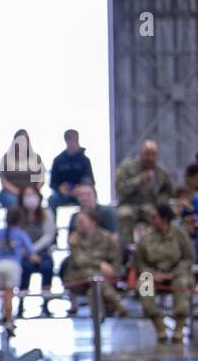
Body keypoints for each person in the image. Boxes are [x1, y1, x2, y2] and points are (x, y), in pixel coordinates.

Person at [134, 203, 193, 344]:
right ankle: (159, 327)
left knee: (182, 283)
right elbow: (139, 262)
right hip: (153, 273)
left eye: (155, 217)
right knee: (144, 284)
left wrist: (173, 273)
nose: (152, 220)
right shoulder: (146, 237)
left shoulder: (179, 234)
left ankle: (178, 328)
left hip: (176, 273)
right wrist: (153, 273)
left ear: (165, 219)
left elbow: (189, 258)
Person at [65, 212, 125, 319]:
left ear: (92, 222)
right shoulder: (74, 238)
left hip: (105, 279)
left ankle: (99, 321)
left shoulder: (107, 237)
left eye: (81, 222)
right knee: (92, 274)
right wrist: (100, 264)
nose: (77, 224)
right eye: (77, 222)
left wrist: (113, 270)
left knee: (93, 291)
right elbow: (80, 261)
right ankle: (115, 300)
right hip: (78, 277)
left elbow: (116, 260)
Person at [115, 140, 172, 245]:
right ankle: (128, 248)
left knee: (159, 217)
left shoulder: (161, 172)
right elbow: (120, 189)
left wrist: (160, 201)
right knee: (124, 215)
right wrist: (139, 179)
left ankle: (155, 247)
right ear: (141, 153)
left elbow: (168, 192)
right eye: (147, 154)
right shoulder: (127, 167)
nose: (150, 158)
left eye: (153, 155)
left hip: (150, 205)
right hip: (129, 204)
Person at [14, 185, 56, 314]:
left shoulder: (47, 213)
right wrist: (27, 253)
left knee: (47, 267)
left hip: (42, 252)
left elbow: (48, 236)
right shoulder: (17, 215)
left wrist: (32, 250)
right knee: (25, 268)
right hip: (23, 254)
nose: (30, 198)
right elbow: (15, 236)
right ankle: (21, 302)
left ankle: (46, 302)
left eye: (33, 195)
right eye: (27, 195)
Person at [0, 214, 34, 329]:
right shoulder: (20, 233)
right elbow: (31, 250)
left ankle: (4, 314)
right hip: (13, 265)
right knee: (9, 294)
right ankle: (9, 319)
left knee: (2, 293)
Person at [0, 129, 45, 212]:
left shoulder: (35, 158)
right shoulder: (6, 159)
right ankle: (15, 224)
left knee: (34, 201)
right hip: (10, 193)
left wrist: (32, 191)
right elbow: (4, 182)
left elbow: (41, 179)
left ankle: (34, 223)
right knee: (14, 202)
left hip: (31, 192)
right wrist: (20, 193)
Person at [48, 129, 94, 210]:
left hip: (80, 193)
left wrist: (80, 188)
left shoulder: (84, 160)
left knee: (89, 198)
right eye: (71, 139)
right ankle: (52, 222)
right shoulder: (58, 160)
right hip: (63, 195)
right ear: (66, 140)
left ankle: (90, 220)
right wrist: (60, 188)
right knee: (52, 199)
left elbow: (90, 180)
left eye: (75, 139)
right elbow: (52, 183)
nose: (73, 142)